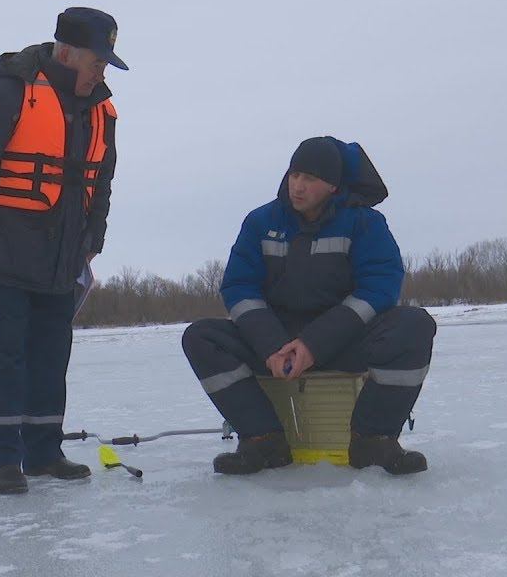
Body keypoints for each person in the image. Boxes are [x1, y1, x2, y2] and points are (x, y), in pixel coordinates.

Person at [0, 7, 125, 494]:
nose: (100, 72)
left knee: (52, 355)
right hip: (6, 254)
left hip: (65, 258)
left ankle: (44, 451)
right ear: (66, 52)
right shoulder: (6, 94)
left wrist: (93, 244)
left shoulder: (102, 112)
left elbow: (100, 183)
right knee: (4, 357)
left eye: (106, 64)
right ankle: (4, 460)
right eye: (96, 61)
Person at [182, 137, 436, 476]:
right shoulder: (260, 222)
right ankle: (262, 441)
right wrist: (270, 345)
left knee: (414, 326)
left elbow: (379, 288)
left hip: (343, 341)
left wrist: (314, 344)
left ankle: (374, 441)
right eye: (294, 175)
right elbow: (239, 287)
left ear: (333, 186)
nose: (297, 187)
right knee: (201, 337)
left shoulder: (364, 222)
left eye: (309, 179)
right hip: (275, 343)